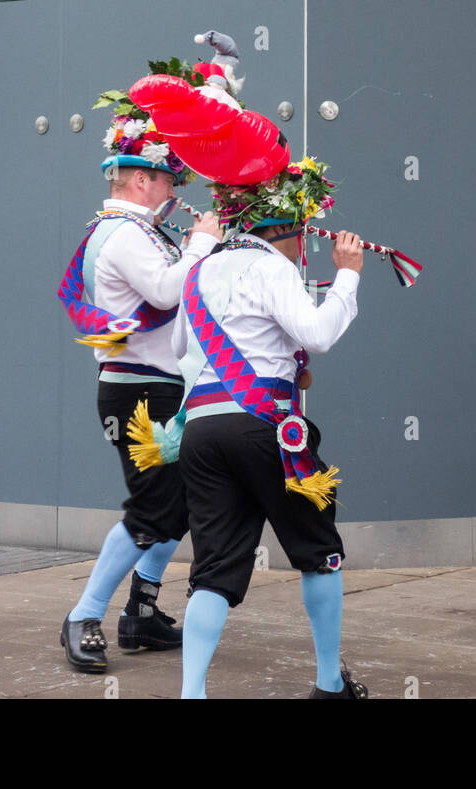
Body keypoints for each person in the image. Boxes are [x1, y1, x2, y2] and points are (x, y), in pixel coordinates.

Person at [156, 156, 368, 698]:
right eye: (305, 235)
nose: (306, 247)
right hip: (265, 427)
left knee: (215, 566)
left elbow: (179, 347)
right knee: (318, 551)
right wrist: (347, 275)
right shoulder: (273, 266)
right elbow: (317, 332)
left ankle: (192, 693)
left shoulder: (203, 269)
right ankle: (328, 684)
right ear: (291, 230)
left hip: (202, 430)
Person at [56, 65, 222, 672]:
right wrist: (204, 241)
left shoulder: (133, 230)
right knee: (155, 507)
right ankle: (84, 614)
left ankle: (142, 612)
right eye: (168, 178)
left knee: (177, 505)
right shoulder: (124, 235)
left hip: (155, 387)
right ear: (143, 179)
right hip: (136, 393)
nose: (176, 190)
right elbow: (166, 292)